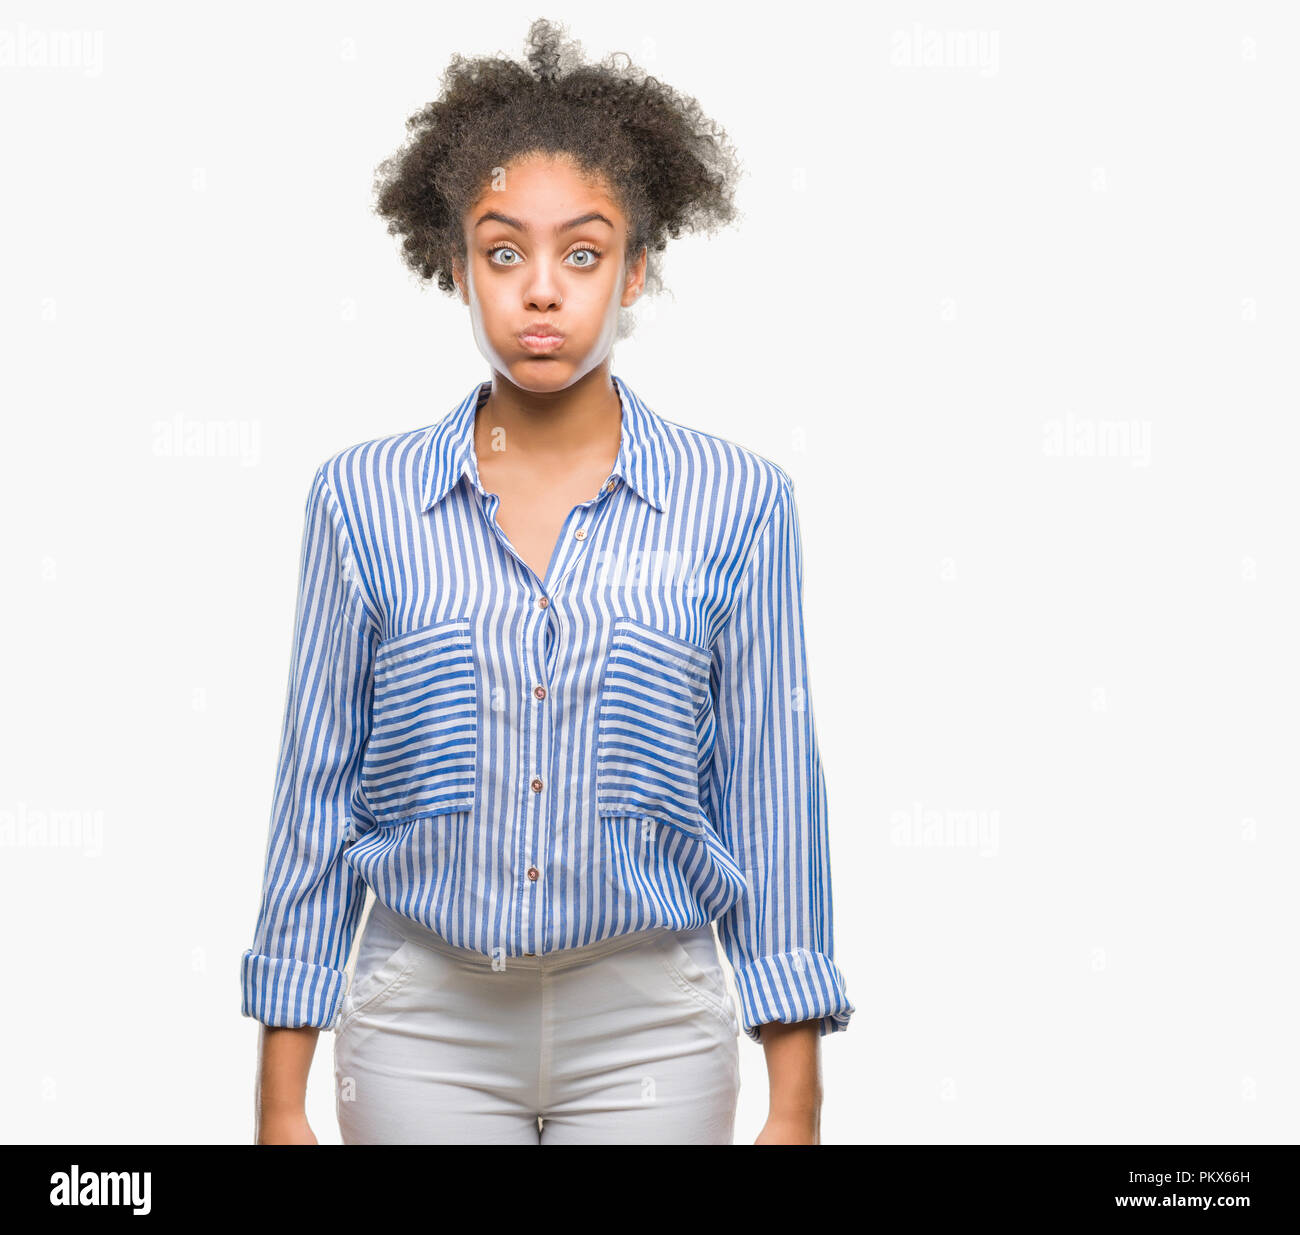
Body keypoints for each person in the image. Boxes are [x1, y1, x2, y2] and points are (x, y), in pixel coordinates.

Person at [240, 17, 853, 1146]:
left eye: (582, 251)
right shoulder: (359, 500)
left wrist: (798, 1099)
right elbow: (314, 788)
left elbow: (771, 792)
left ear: (637, 264)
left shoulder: (740, 502)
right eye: (502, 249)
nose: (541, 291)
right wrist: (281, 1095)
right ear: (455, 262)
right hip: (421, 1015)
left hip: (652, 1024)